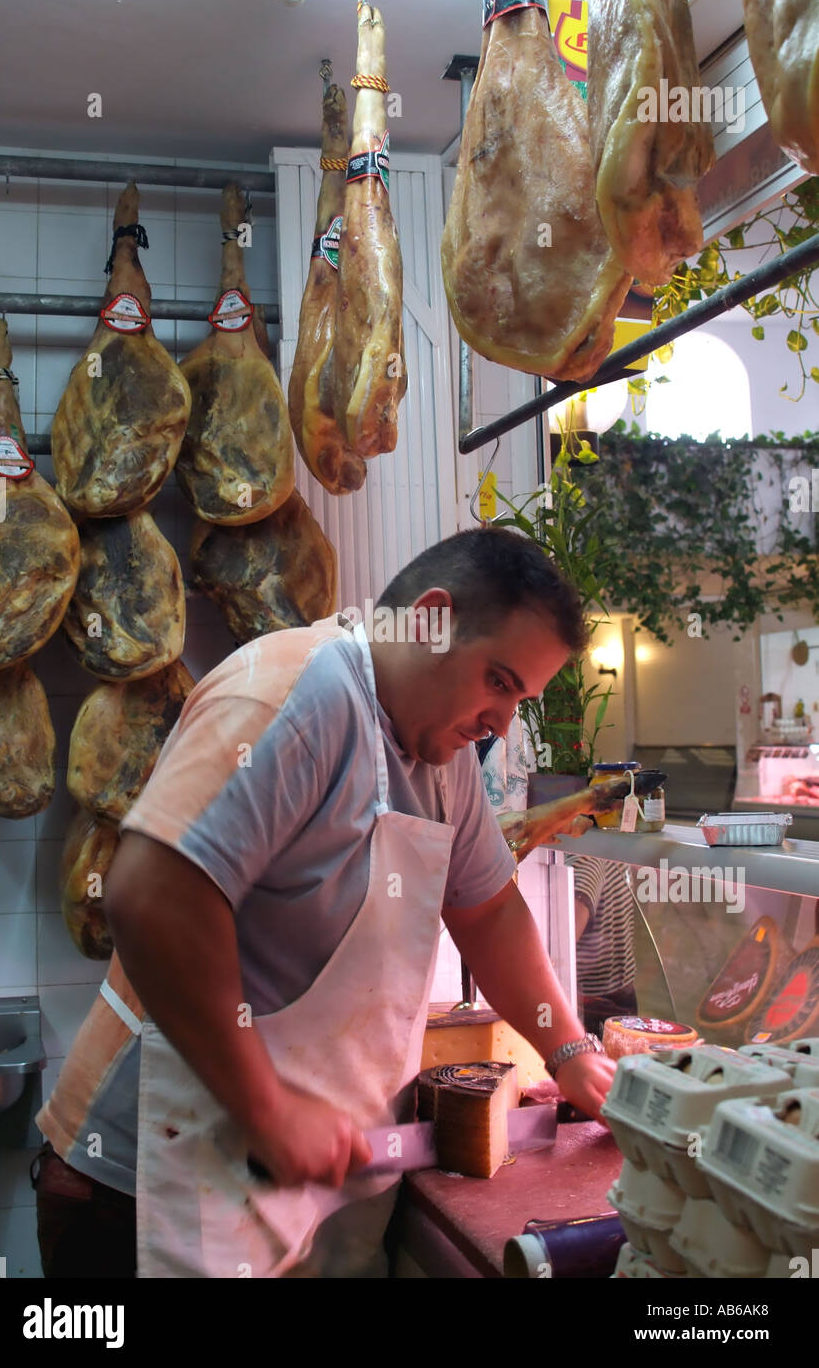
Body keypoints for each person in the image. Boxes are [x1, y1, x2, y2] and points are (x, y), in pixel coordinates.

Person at [32, 527, 615, 1279]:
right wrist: (267, 1110)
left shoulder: (444, 753)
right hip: (144, 1182)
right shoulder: (291, 692)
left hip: (305, 1188)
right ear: (430, 620)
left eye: (522, 698)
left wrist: (568, 1050)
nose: (503, 723)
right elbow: (150, 893)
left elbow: (489, 912)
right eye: (499, 682)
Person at [568, 854, 638, 1038]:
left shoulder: (584, 859)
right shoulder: (607, 847)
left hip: (593, 1003)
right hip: (617, 993)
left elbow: (564, 939)